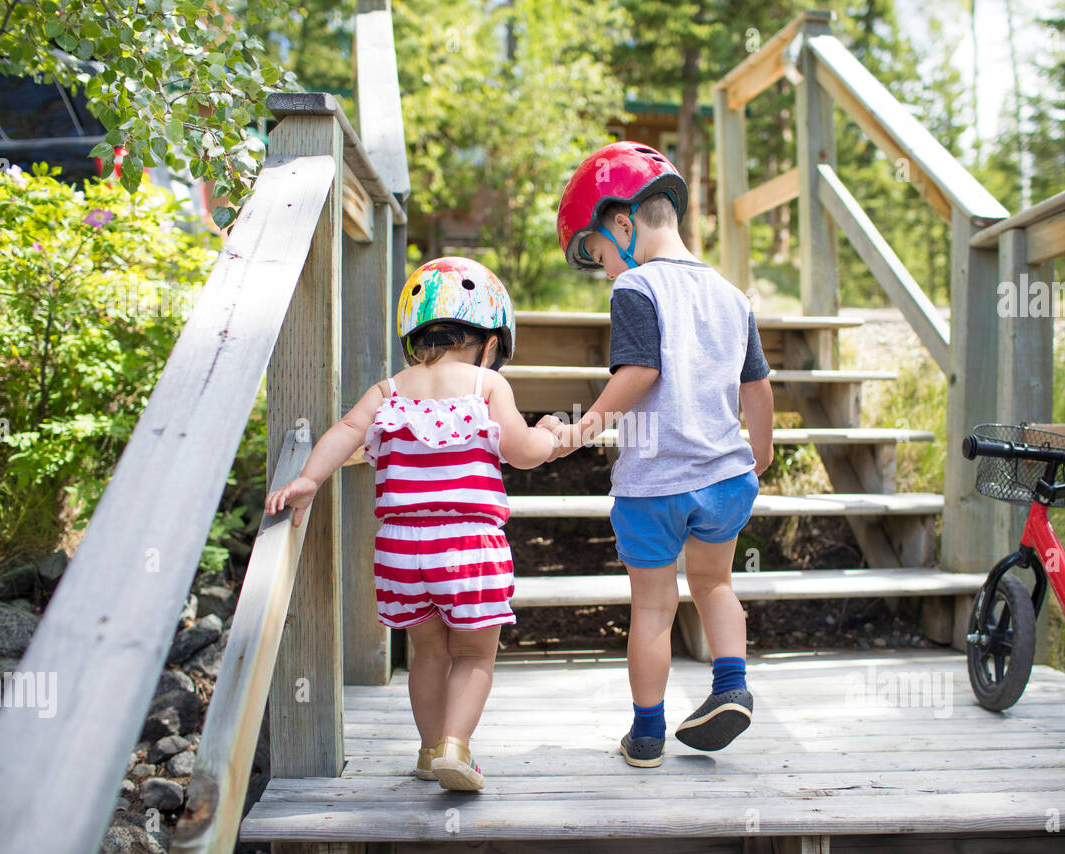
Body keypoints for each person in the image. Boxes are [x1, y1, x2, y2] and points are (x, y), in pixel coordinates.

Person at [264, 257, 557, 790]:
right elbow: (522, 451)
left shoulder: (389, 390)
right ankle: (455, 747)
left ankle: (427, 751)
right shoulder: (487, 386)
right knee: (473, 656)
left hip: (400, 550)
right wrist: (551, 433)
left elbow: (347, 429)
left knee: (428, 653)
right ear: (491, 342)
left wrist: (310, 478)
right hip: (468, 545)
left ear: (415, 333)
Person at [542, 141, 775, 768]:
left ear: (622, 223)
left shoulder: (637, 288)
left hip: (656, 487)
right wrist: (762, 448)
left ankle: (646, 735)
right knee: (717, 583)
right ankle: (731, 685)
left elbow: (640, 371)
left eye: (597, 255)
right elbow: (756, 385)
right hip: (726, 479)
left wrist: (581, 428)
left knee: (652, 606)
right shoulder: (732, 294)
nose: (607, 272)